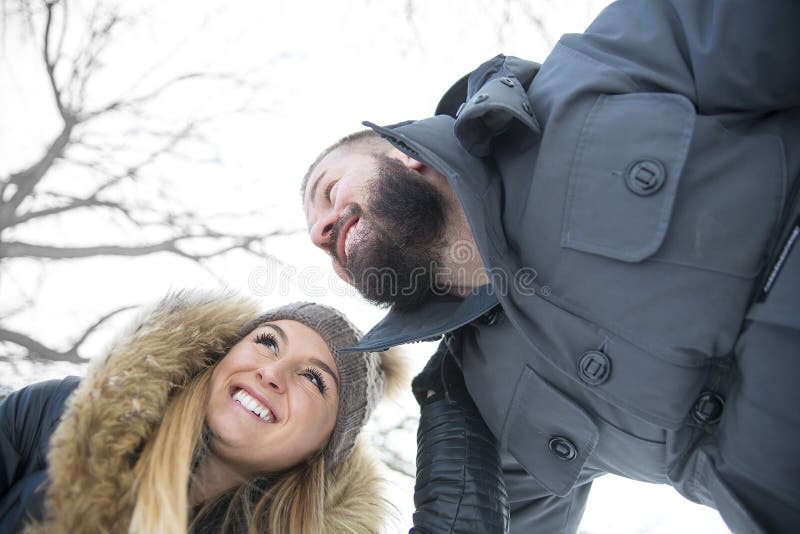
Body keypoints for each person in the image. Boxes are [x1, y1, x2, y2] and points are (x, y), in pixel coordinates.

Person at [302, 0, 800, 532]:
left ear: (403, 151)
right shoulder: (473, 408)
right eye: (319, 244)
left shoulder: (594, 74)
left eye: (329, 191)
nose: (319, 232)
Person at [0, 292, 402, 534]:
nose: (272, 372)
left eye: (314, 379)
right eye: (267, 342)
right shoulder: (61, 412)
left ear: (326, 445)